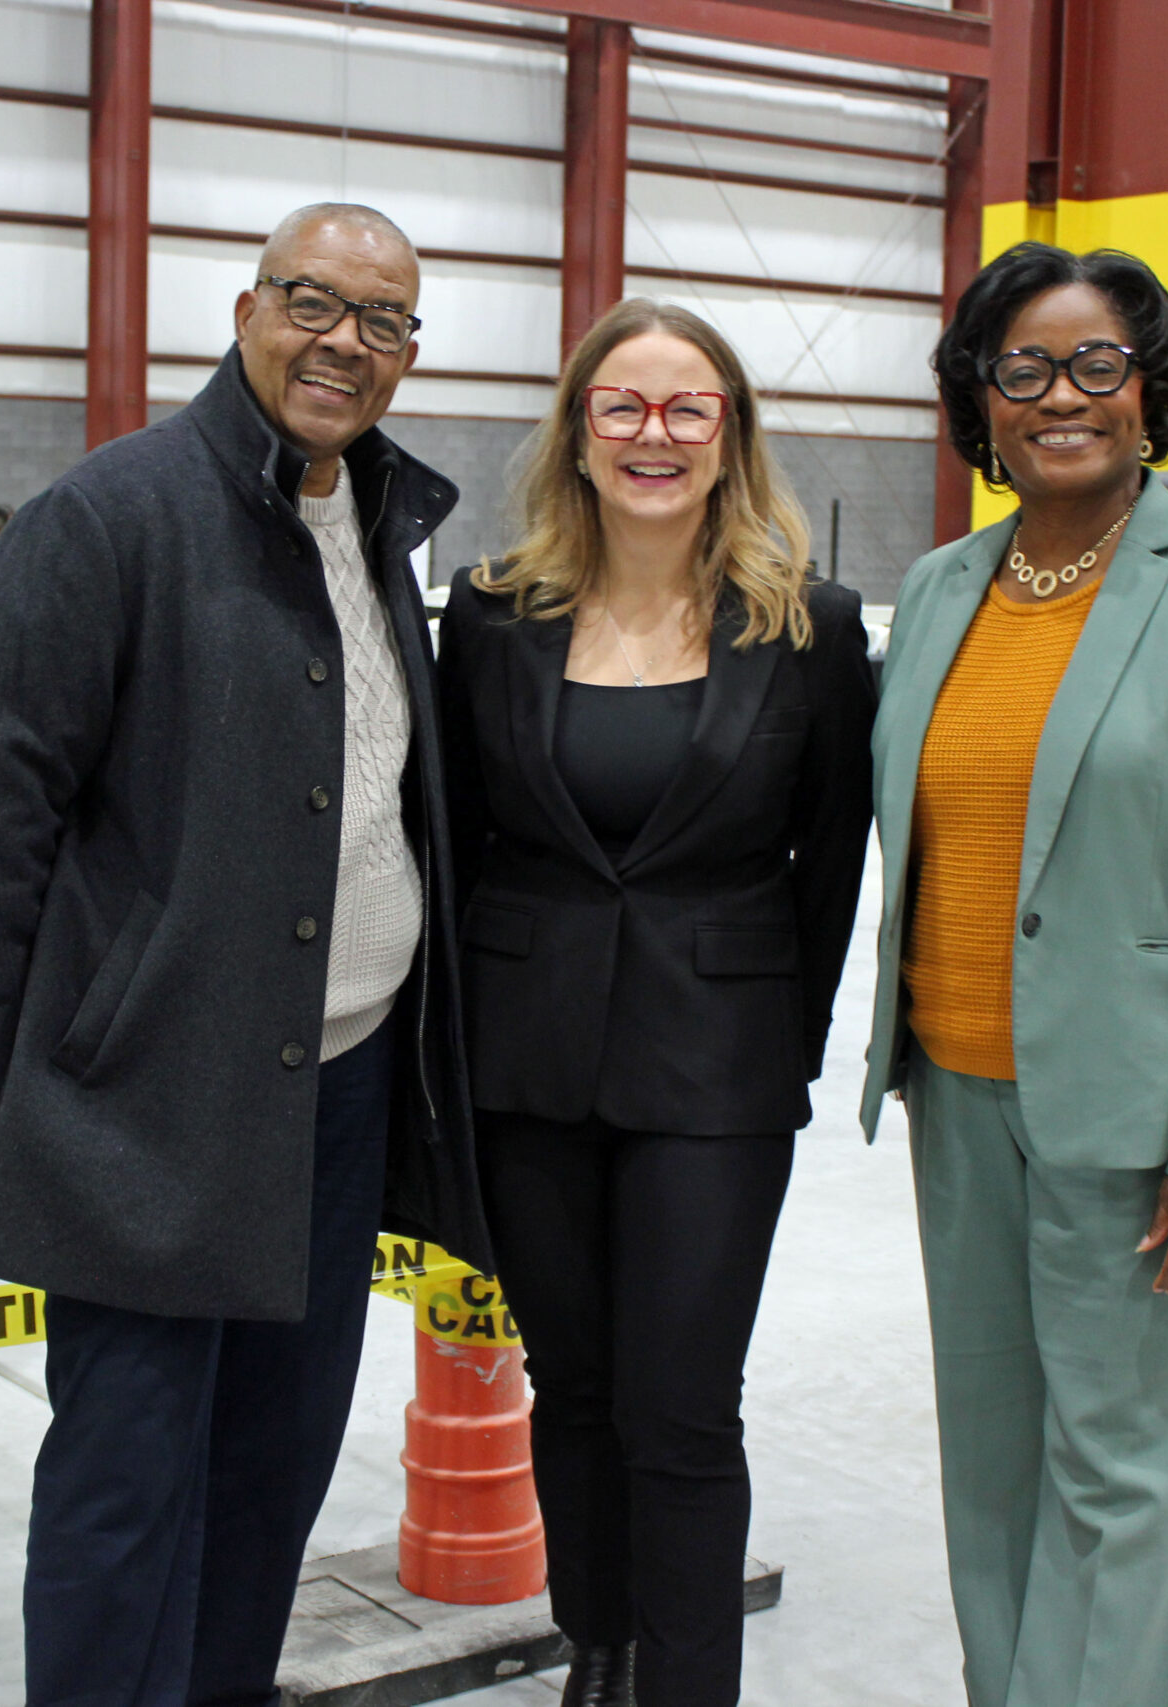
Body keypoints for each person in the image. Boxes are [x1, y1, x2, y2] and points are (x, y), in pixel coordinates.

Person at [0, 204, 493, 1707]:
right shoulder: (110, 518)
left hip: (343, 1084)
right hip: (147, 1108)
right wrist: (14, 1101)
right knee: (128, 1484)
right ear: (246, 312)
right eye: (314, 302)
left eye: (384, 320)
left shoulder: (377, 523)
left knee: (271, 1470)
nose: (345, 342)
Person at [860, 243, 1168, 1707]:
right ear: (980, 401)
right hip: (958, 1096)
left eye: (1096, 364)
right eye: (1023, 368)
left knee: (1126, 1482)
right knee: (992, 1462)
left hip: (1144, 1128)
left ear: (1149, 391)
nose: (1059, 395)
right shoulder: (941, 589)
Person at [438, 299, 877, 1707]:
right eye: (622, 405)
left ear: (730, 436)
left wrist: (782, 1053)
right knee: (572, 1387)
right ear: (578, 430)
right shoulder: (491, 612)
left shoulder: (809, 628)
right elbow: (456, 840)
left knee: (681, 1408)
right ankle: (602, 1644)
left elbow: (830, 864)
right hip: (527, 1061)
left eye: (690, 408)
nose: (655, 435)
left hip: (718, 1073)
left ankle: (686, 1685)